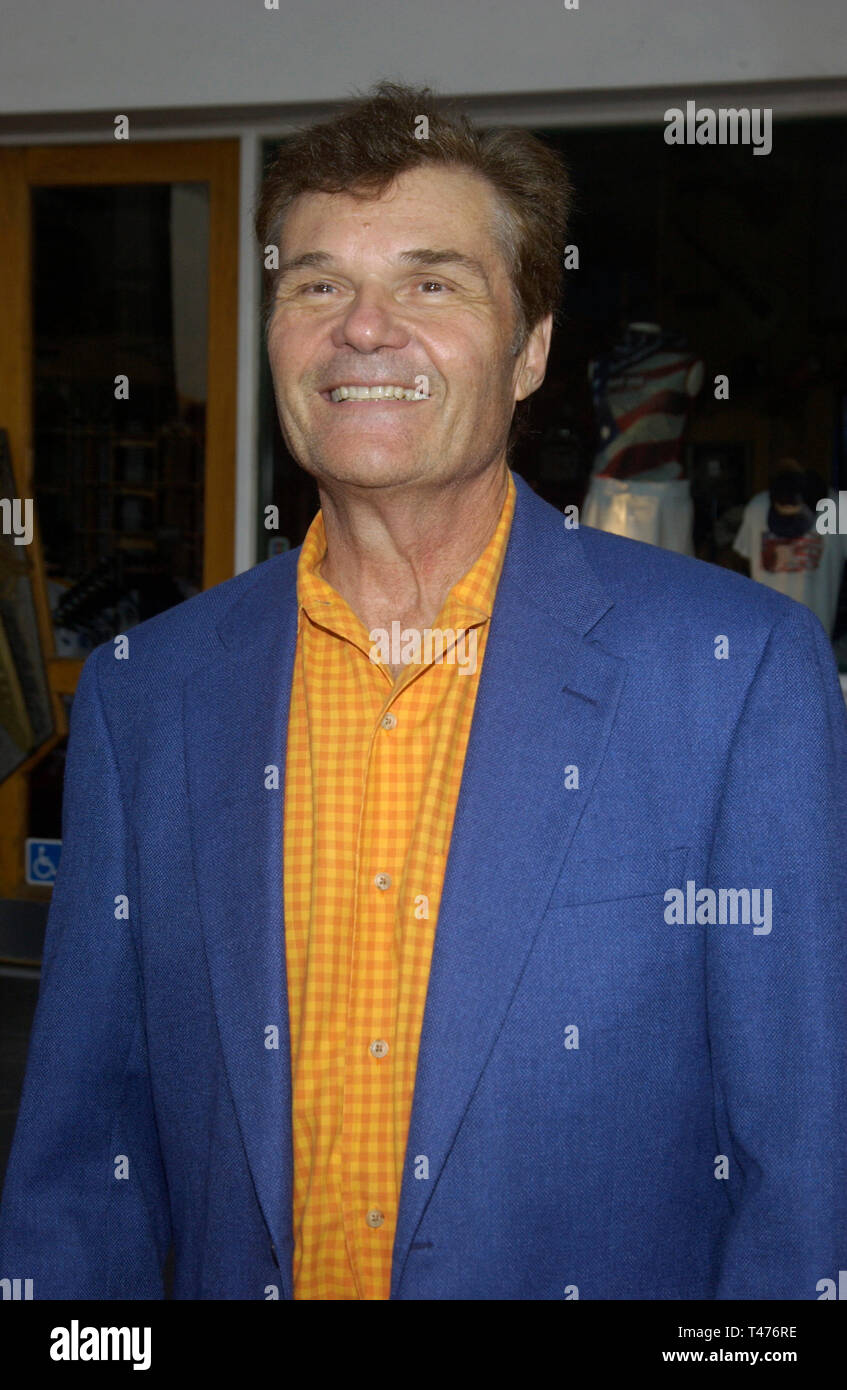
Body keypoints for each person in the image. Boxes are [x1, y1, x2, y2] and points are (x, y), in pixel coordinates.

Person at [1, 81, 845, 1302]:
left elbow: (799, 1175)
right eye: (317, 284)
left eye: (431, 281)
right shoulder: (152, 694)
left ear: (531, 347)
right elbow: (86, 1160)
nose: (363, 328)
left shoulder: (733, 676)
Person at [733, 458, 847, 637]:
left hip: (817, 638)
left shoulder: (838, 509)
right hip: (767, 636)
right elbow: (741, 564)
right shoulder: (757, 508)